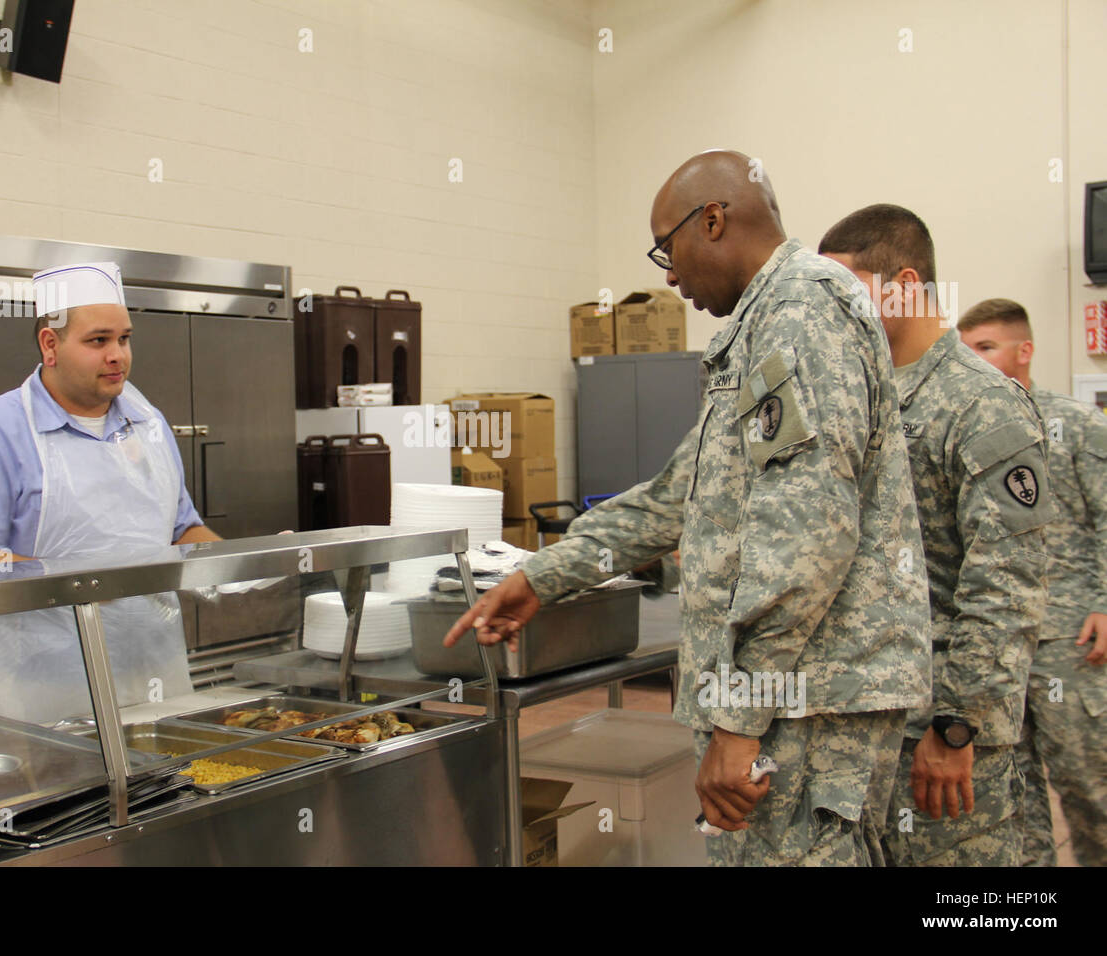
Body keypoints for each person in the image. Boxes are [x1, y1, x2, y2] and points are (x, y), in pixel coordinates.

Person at [444, 150, 933, 866]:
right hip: (794, 697)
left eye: (666, 249)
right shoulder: (770, 320)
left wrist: (739, 719)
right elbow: (676, 497)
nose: (668, 277)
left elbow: (808, 535)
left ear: (712, 221)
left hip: (802, 701)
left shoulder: (799, 312)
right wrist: (544, 575)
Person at [819, 208, 1054, 867]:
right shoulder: (862, 397)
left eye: (846, 287)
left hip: (944, 732)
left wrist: (954, 729)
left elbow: (1004, 589)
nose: (833, 306)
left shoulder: (983, 402)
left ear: (903, 283)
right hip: (865, 728)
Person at [0, 261, 221, 723]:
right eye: (98, 341)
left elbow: (183, 531)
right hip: (34, 694)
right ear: (50, 344)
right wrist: (79, 581)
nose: (117, 355)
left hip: (154, 680)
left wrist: (245, 564)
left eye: (124, 338)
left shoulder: (148, 425)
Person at [958, 297, 1107, 867]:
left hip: (1072, 646)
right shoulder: (966, 434)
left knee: (1091, 789)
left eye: (986, 347)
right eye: (966, 350)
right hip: (997, 652)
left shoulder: (1077, 426)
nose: (973, 361)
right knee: (1010, 803)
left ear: (1024, 351)